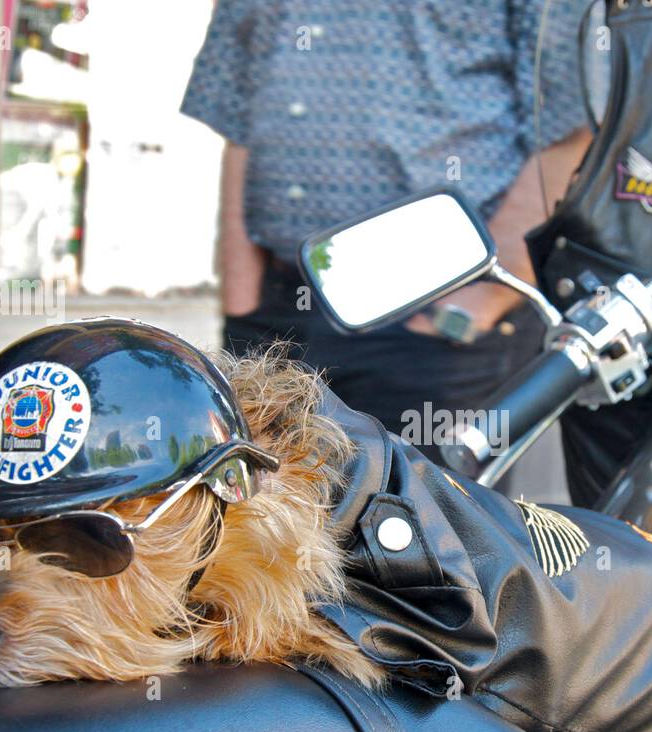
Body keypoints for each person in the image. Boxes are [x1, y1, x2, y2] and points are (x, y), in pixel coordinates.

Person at [180, 0, 592, 462]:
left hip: (434, 318)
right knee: (263, 520)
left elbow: (569, 127)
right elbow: (237, 118)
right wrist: (242, 300)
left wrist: (475, 305)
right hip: (277, 313)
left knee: (423, 526)